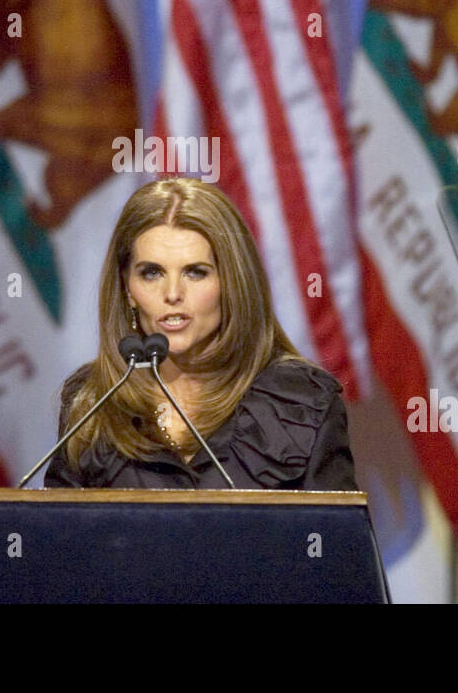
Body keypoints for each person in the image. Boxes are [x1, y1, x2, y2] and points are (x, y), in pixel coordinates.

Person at [44, 177, 358, 490]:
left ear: (231, 283)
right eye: (152, 273)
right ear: (128, 288)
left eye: (195, 272)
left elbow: (334, 538)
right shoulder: (91, 402)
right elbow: (58, 536)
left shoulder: (304, 404)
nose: (172, 293)